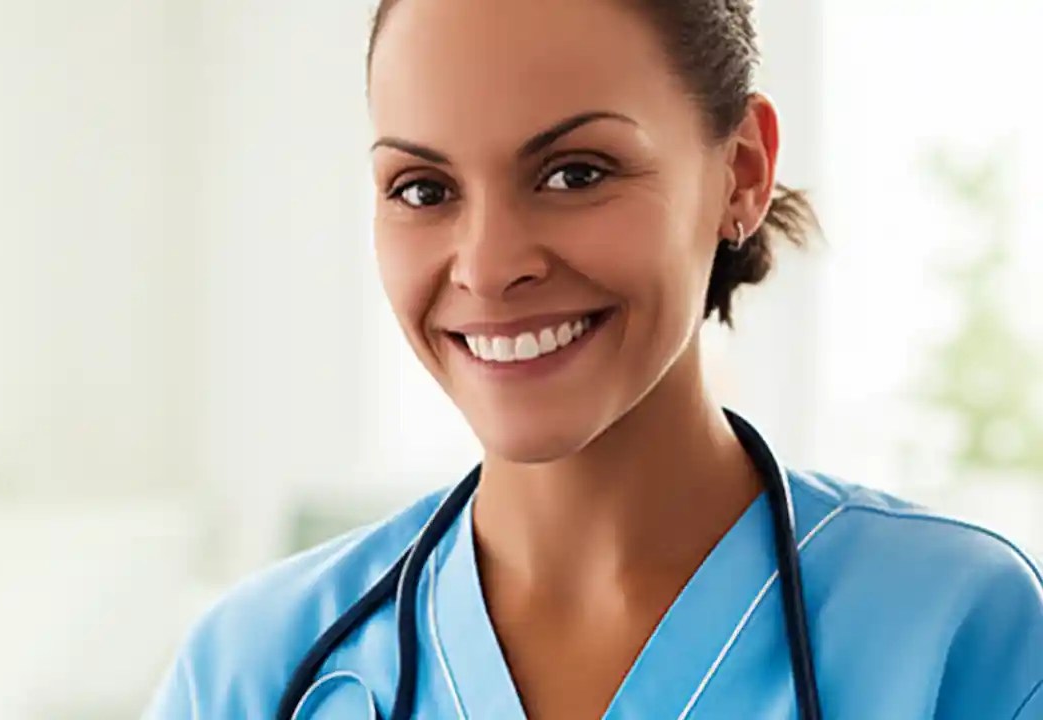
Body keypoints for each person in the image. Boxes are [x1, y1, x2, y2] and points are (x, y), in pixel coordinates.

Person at [144, 0, 1043, 717]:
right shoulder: (257, 670)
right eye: (424, 189)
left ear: (740, 172)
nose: (490, 267)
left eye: (576, 172)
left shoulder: (960, 633)